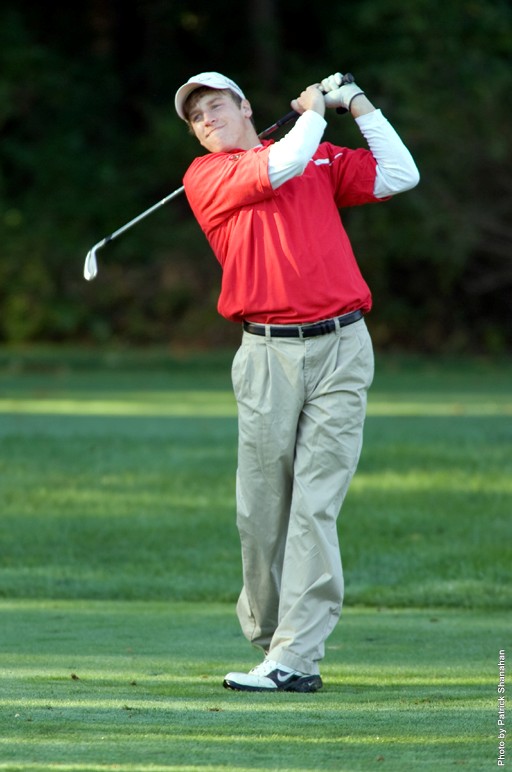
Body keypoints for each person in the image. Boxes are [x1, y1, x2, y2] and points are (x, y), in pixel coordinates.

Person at [174, 70, 419, 692]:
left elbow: (399, 174)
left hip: (343, 347)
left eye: (215, 106)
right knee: (262, 513)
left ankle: (294, 658)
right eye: (195, 115)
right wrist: (314, 111)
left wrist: (356, 103)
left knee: (316, 505)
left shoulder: (314, 157)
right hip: (266, 356)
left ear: (245, 107)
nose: (206, 119)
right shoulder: (208, 177)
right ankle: (271, 635)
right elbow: (277, 168)